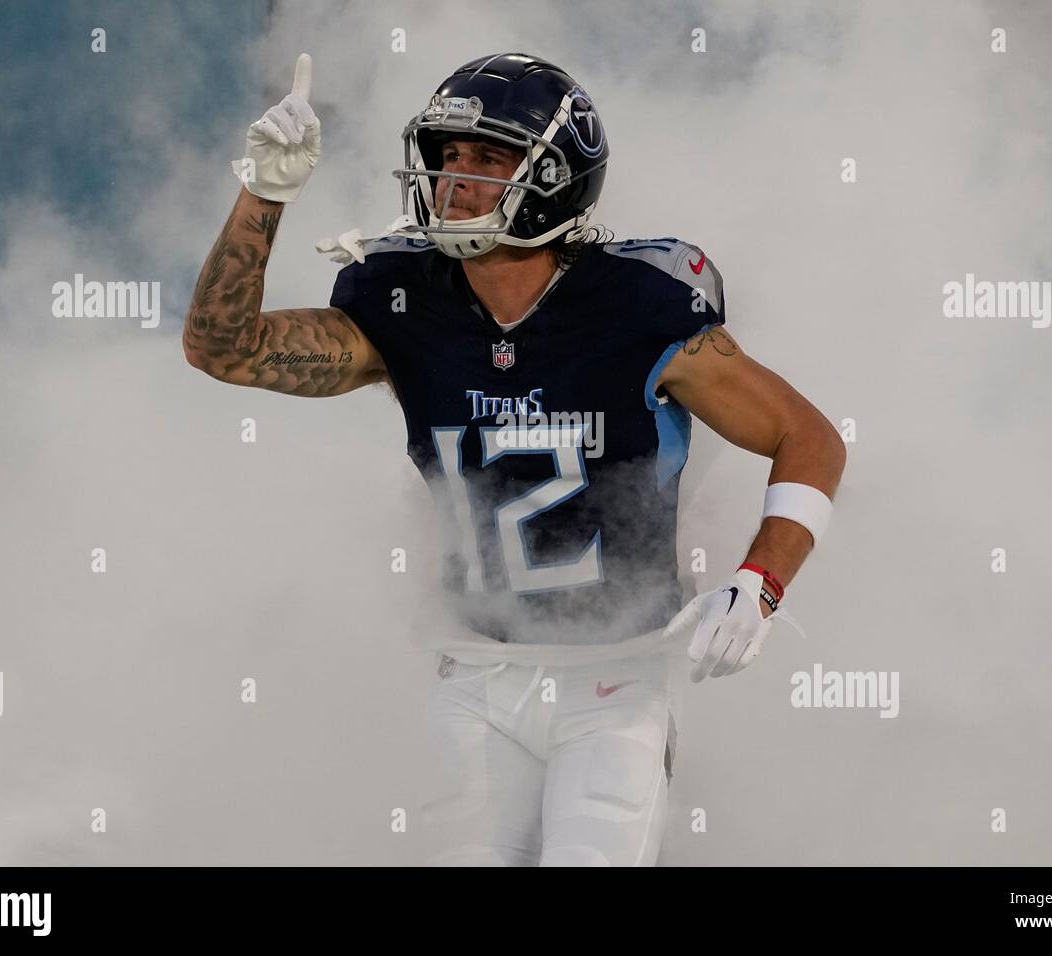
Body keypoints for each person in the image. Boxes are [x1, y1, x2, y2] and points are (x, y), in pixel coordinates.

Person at [183, 51, 846, 866]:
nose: (455, 179)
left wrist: (761, 583)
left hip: (619, 679)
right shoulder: (401, 299)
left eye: (488, 159)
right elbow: (223, 348)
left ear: (557, 178)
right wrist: (264, 192)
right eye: (448, 156)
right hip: (476, 677)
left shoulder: (639, 305)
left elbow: (807, 437)